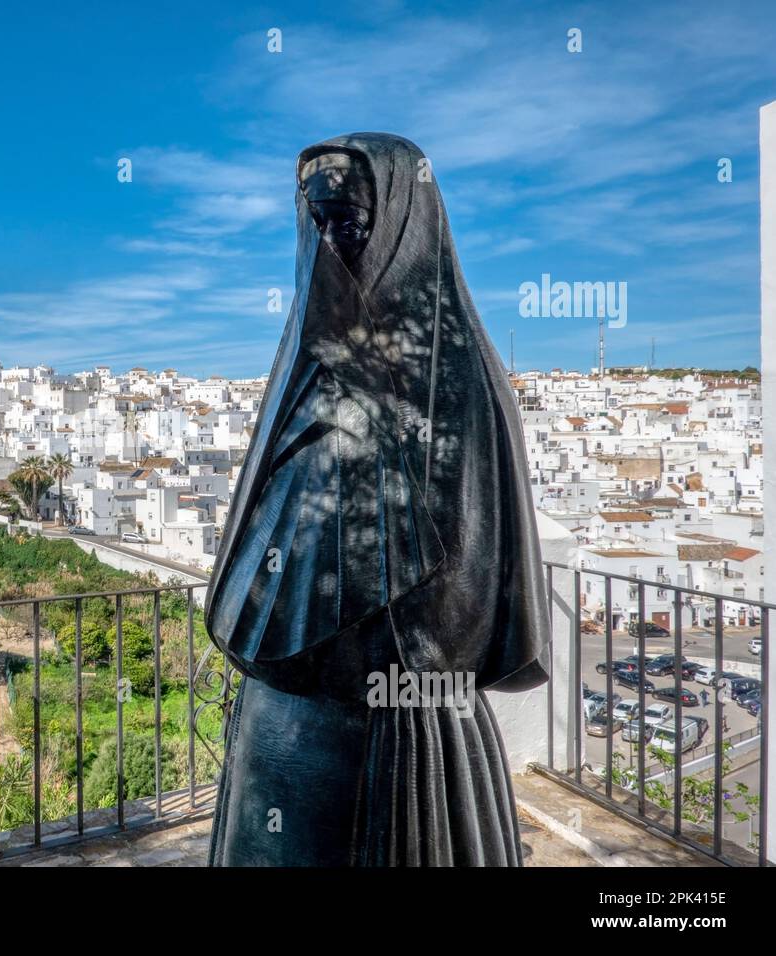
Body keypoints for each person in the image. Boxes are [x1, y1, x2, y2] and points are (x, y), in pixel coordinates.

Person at [206, 134, 549, 867]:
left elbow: (466, 584)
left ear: (399, 225)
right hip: (285, 728)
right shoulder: (302, 373)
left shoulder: (464, 388)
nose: (332, 242)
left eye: (351, 223)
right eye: (317, 222)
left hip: (400, 743)